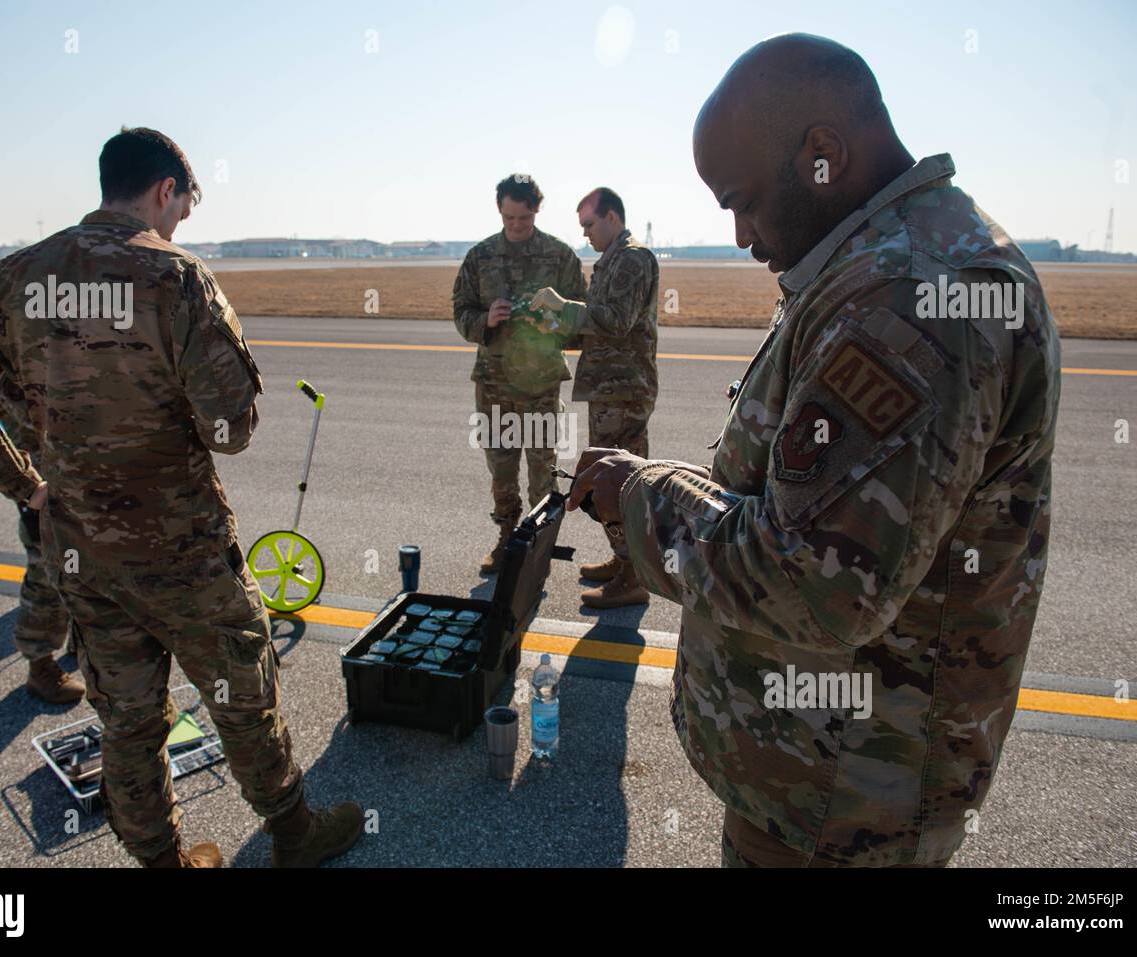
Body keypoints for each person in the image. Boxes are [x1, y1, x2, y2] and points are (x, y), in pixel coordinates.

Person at [567, 35, 1061, 867]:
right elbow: (796, 503)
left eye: (745, 201)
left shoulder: (906, 296)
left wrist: (641, 495)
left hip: (846, 799)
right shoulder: (877, 261)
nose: (738, 233)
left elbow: (817, 583)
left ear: (824, 155)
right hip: (823, 780)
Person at [0, 127, 364, 869]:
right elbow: (231, 428)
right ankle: (293, 831)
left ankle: (161, 859)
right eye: (183, 205)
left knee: (125, 719)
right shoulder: (176, 276)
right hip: (183, 550)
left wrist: (27, 486)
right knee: (242, 694)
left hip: (83, 553)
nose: (182, 220)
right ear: (164, 191)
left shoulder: (19, 277)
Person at [528, 187, 659, 608]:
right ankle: (625, 562)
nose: (585, 234)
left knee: (621, 483)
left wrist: (566, 306)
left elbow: (617, 321)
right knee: (611, 481)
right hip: (609, 387)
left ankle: (635, 575)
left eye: (589, 224)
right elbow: (599, 324)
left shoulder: (633, 259)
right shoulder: (612, 261)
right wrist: (559, 327)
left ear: (613, 218)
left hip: (624, 389)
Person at [452, 174, 587, 573]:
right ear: (499, 210)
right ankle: (506, 537)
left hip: (542, 381)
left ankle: (540, 545)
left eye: (523, 219)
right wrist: (484, 320)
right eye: (509, 217)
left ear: (536, 211)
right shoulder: (480, 256)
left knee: (543, 467)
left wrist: (554, 322)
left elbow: (582, 314)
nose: (516, 226)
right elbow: (461, 312)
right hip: (494, 384)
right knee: (501, 467)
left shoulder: (560, 256)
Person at [0, 375, 85, 704]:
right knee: (46, 566)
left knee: (89, 556)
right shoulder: (13, 331)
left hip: (79, 462)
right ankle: (40, 664)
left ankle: (82, 636)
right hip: (37, 472)